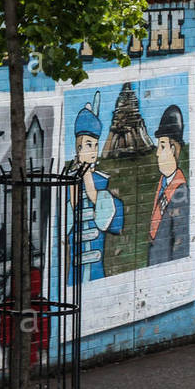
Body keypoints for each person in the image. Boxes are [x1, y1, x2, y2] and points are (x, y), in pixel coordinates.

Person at [70, 92, 123, 282]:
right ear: (77, 148)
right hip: (73, 262)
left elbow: (109, 218)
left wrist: (89, 182)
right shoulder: (68, 179)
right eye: (85, 145)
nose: (90, 151)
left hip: (96, 260)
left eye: (93, 145)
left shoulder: (102, 180)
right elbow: (68, 215)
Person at [148, 105, 190, 266]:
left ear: (173, 149)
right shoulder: (163, 184)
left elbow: (181, 243)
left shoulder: (181, 192)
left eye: (162, 146)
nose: (157, 152)